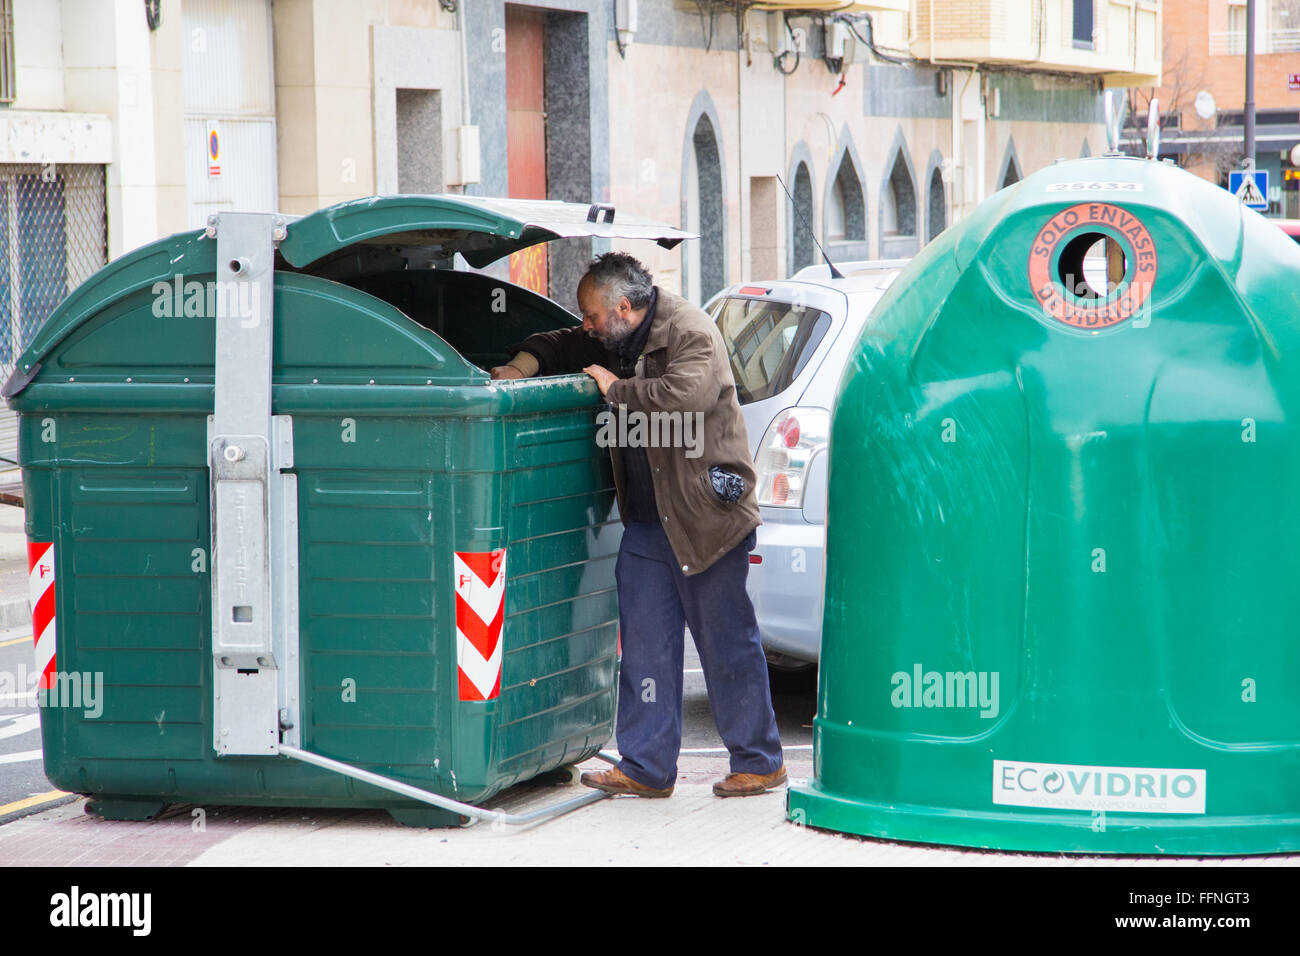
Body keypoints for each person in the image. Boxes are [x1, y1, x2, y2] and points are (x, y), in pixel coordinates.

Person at [490, 252, 785, 798]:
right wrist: (519, 370)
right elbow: (558, 342)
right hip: (649, 523)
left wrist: (613, 389)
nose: (587, 326)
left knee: (727, 644)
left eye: (593, 316)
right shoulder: (613, 336)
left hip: (706, 517)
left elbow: (684, 398)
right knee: (646, 647)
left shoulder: (689, 332)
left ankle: (760, 760)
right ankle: (647, 767)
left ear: (624, 308)